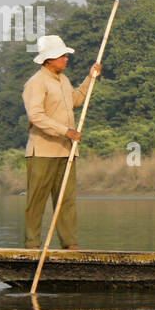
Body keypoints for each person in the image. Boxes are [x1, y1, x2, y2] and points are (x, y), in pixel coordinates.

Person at [22, 35, 101, 250]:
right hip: (43, 151)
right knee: (36, 201)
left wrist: (90, 78)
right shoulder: (35, 83)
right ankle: (32, 245)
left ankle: (69, 244)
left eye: (66, 55)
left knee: (66, 201)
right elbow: (36, 116)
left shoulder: (63, 81)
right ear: (48, 59)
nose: (66, 59)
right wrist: (65, 131)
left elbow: (75, 100)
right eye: (62, 56)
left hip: (66, 152)